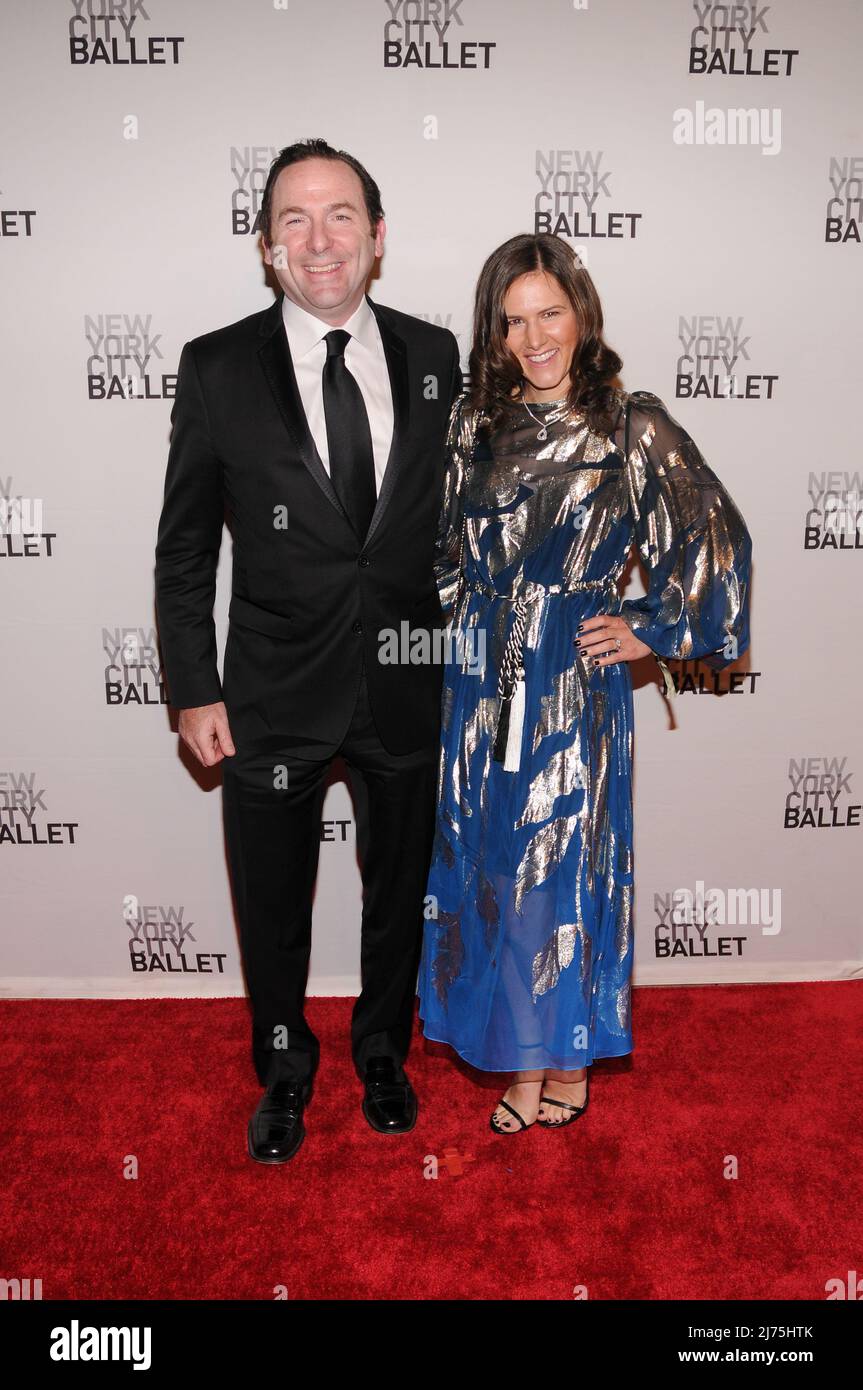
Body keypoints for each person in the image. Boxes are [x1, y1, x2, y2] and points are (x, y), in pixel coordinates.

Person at [155, 138, 461, 1163]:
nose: (318, 238)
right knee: (273, 903)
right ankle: (284, 1068)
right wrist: (191, 688)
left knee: (397, 889)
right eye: (294, 218)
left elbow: (465, 523)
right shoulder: (214, 367)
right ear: (265, 247)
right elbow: (188, 545)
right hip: (271, 689)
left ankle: (382, 1049)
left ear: (377, 239)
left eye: (340, 216)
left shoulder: (436, 358)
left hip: (409, 679)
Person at [417, 232, 752, 1133]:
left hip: (570, 678)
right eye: (511, 320)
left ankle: (558, 1061)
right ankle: (521, 1054)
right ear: (492, 333)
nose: (532, 338)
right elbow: (441, 550)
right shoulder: (469, 425)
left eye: (549, 314)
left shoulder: (628, 423)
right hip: (483, 677)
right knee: (491, 868)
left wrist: (649, 626)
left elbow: (717, 538)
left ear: (581, 313)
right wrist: (463, 631)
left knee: (559, 872)